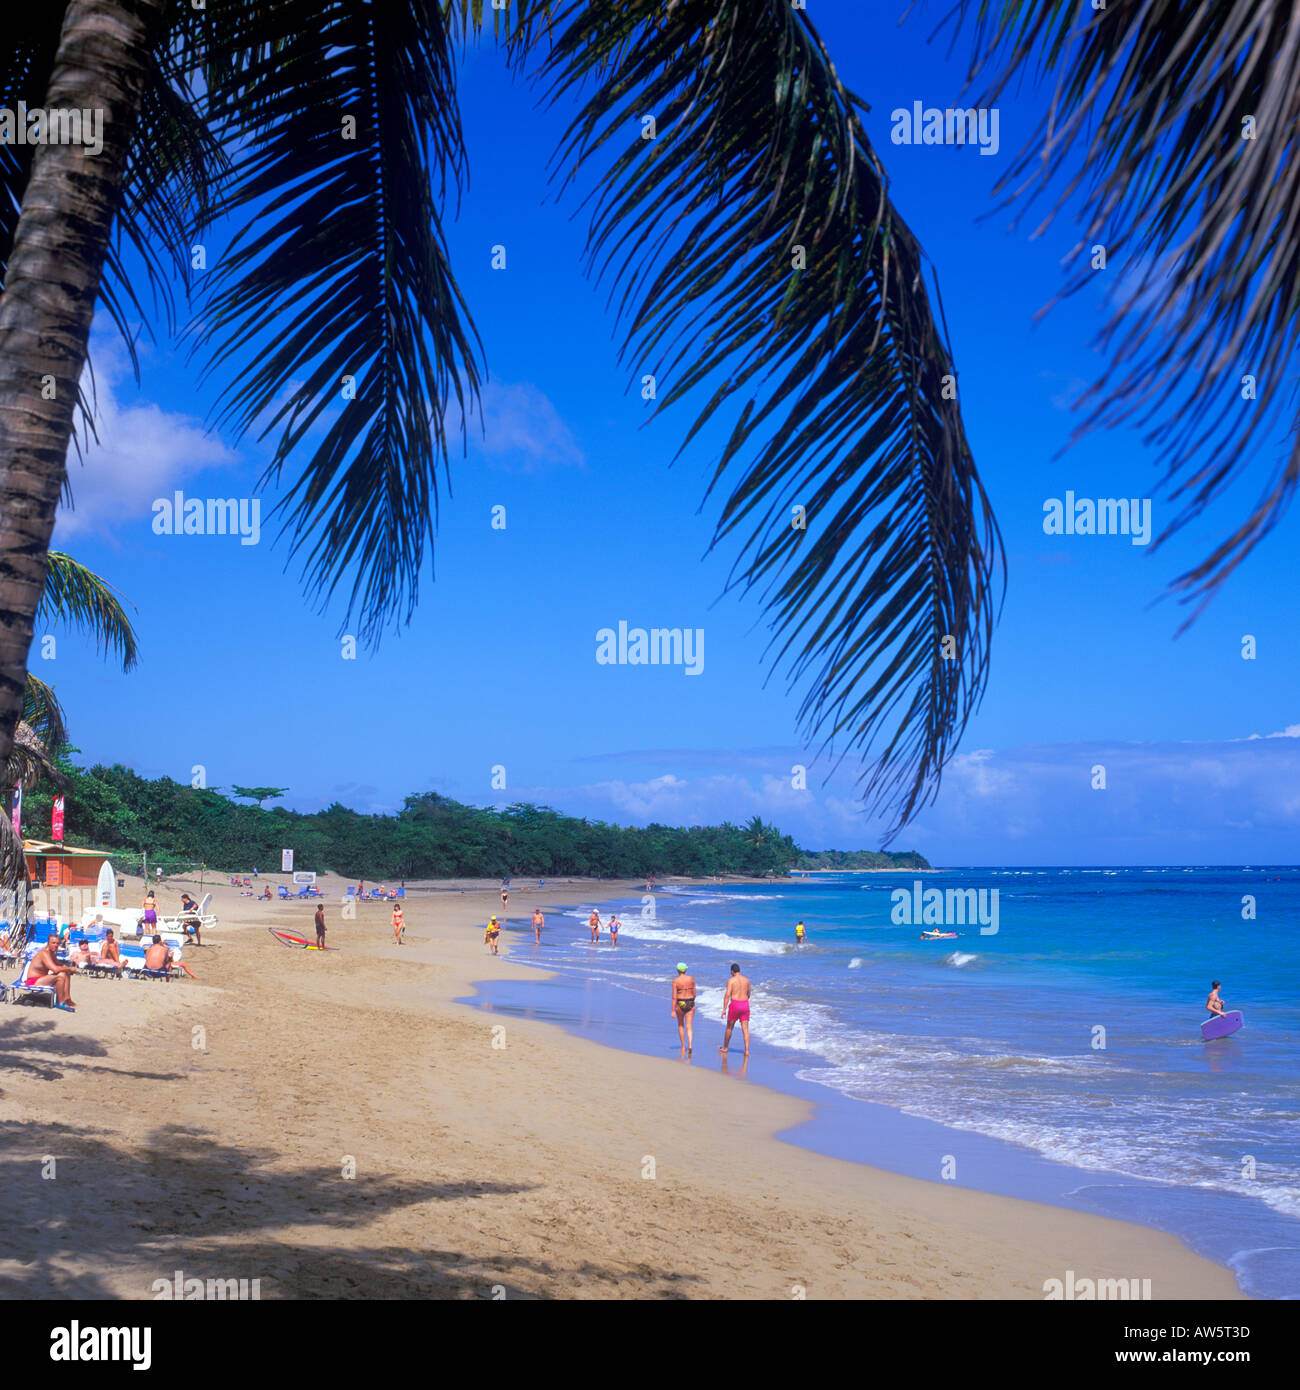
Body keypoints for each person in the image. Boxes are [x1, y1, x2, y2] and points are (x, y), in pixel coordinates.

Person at [25, 933, 77, 1010]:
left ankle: (67, 999)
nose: (55, 945)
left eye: (57, 943)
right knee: (60, 976)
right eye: (53, 943)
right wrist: (69, 969)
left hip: (42, 978)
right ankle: (60, 1003)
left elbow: (60, 965)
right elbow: (55, 969)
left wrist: (69, 968)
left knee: (65, 972)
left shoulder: (52, 953)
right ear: (48, 943)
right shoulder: (44, 953)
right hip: (33, 981)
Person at [720, 963, 752, 1055]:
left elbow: (727, 995)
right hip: (745, 1004)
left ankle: (725, 1048)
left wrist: (724, 1009)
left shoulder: (731, 980)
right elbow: (748, 994)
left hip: (735, 1004)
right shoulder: (747, 980)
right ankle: (746, 1050)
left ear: (732, 971)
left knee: (729, 1027)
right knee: (745, 1029)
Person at [671, 963, 696, 1053]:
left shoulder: (675, 981)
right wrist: (692, 1001)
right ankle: (690, 1045)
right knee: (689, 1026)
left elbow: (674, 996)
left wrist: (673, 1010)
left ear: (677, 970)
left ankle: (683, 1046)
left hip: (681, 1001)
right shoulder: (691, 978)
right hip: (690, 1001)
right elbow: (694, 993)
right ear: (685, 970)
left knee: (681, 1025)